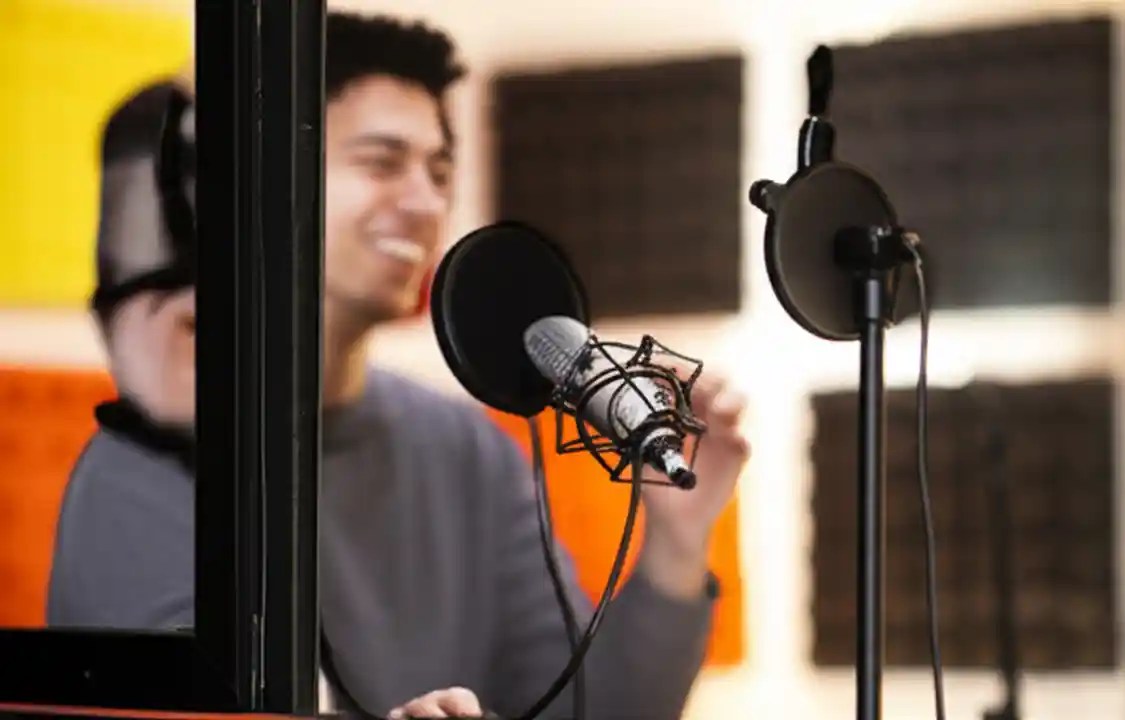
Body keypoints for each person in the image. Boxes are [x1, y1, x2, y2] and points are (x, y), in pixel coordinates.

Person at [48, 12, 749, 720]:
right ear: (256, 182)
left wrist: (676, 542)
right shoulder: (132, 476)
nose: (425, 201)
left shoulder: (468, 450)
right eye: (382, 162)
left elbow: (588, 712)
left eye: (439, 171)